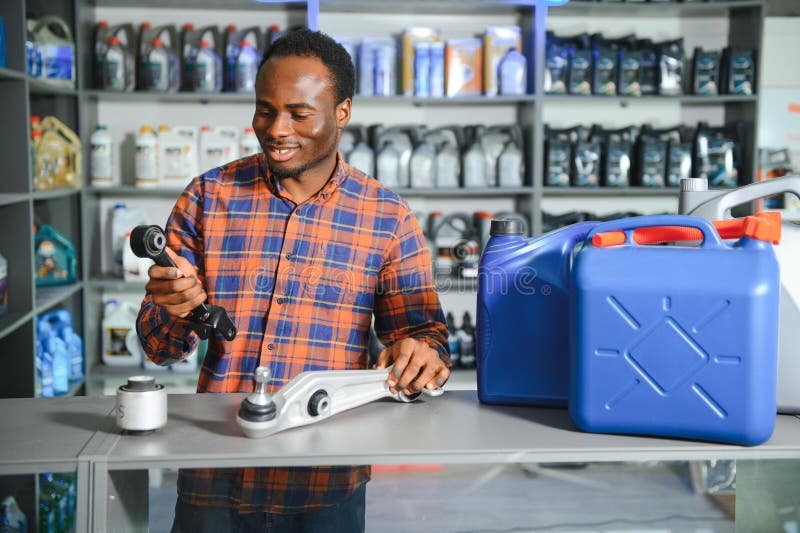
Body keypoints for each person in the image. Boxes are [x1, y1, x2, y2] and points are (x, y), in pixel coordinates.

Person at [136, 28, 451, 532]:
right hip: (216, 478)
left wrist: (421, 354)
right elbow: (158, 347)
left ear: (342, 112)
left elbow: (425, 338)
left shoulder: (387, 217)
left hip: (326, 485)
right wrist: (173, 311)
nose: (276, 128)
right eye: (265, 109)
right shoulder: (207, 197)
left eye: (300, 113)